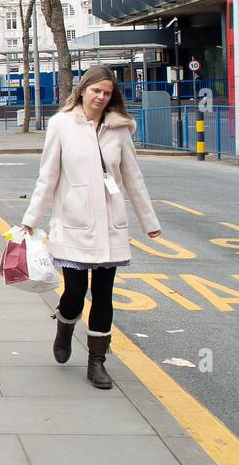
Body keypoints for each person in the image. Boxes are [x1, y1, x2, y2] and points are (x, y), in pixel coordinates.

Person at [20, 65, 161, 389]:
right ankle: (65, 326)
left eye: (107, 92)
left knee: (103, 294)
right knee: (73, 292)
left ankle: (97, 362)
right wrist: (31, 220)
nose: (100, 97)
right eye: (96, 90)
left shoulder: (120, 129)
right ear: (82, 90)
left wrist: (149, 222)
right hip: (73, 223)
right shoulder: (61, 125)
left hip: (111, 224)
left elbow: (132, 177)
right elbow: (48, 176)